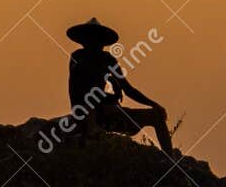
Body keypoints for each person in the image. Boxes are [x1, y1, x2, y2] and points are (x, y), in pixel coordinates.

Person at [65, 17, 177, 156]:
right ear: (84, 41)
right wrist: (110, 89)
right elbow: (81, 89)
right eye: (91, 38)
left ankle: (170, 160)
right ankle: (92, 131)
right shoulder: (78, 57)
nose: (96, 43)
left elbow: (128, 89)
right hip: (84, 112)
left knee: (156, 116)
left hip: (108, 113)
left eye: (98, 39)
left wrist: (154, 104)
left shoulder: (108, 60)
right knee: (91, 97)